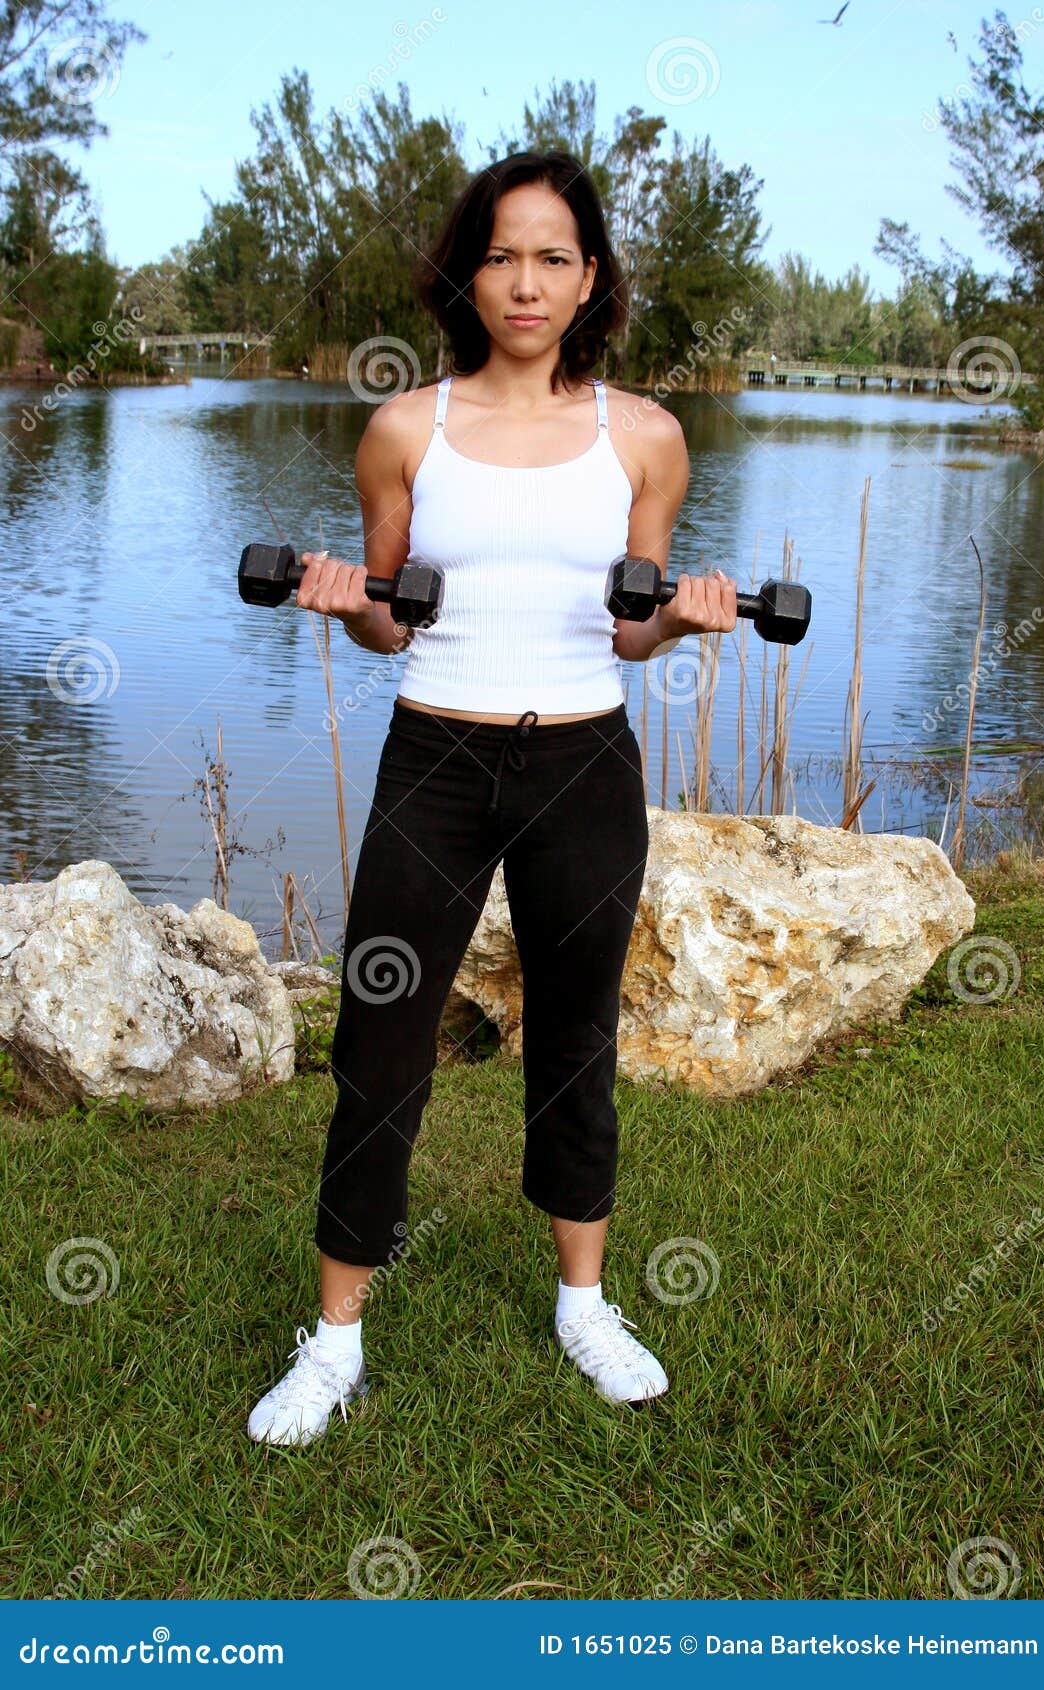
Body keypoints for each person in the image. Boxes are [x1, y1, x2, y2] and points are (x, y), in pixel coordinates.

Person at [248, 150, 737, 1447]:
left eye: (555, 257)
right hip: (437, 763)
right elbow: (391, 626)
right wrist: (350, 603)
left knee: (577, 1037)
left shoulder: (647, 437)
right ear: (471, 271)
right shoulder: (407, 427)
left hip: (585, 765)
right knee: (380, 1037)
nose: (528, 281)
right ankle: (337, 1337)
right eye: (505, 254)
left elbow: (627, 631)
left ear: (591, 280)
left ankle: (584, 1302)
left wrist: (682, 622)